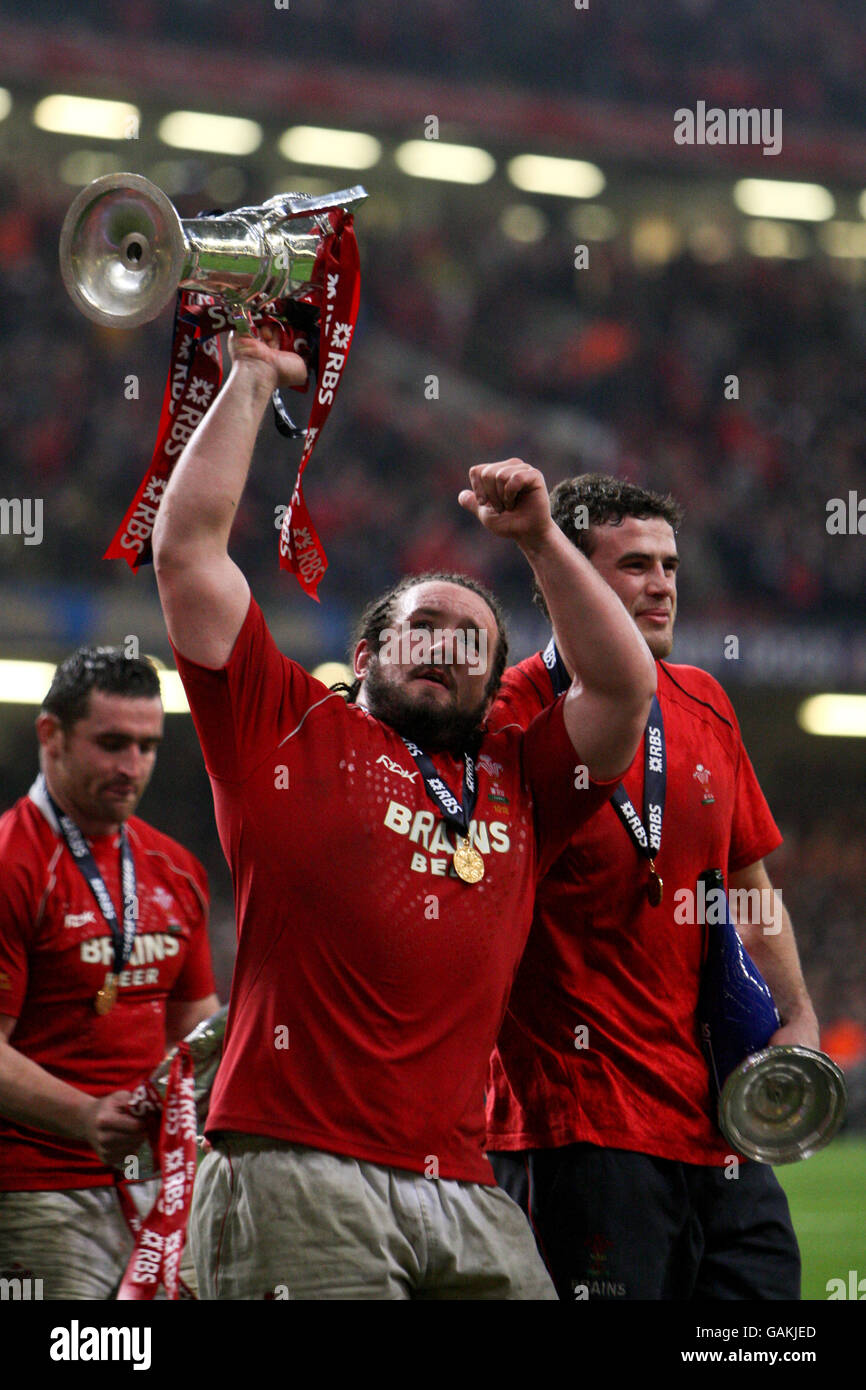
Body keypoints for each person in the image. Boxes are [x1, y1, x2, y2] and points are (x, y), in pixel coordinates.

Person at [151, 327, 657, 1300]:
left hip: (464, 1185)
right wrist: (252, 375)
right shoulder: (287, 727)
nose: (449, 649)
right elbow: (186, 553)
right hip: (297, 1168)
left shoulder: (521, 775)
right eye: (423, 626)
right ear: (368, 651)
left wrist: (539, 539)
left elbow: (622, 685)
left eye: (475, 639)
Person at [487, 474, 818, 1301]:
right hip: (580, 1123)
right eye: (635, 565)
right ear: (565, 574)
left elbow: (749, 884)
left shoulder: (705, 701)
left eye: (670, 566)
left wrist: (801, 1014)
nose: (663, 584)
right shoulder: (505, 714)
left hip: (715, 1118)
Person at [0, 647, 220, 1299]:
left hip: (163, 1187)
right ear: (51, 736)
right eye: (113, 744)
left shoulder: (176, 868)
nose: (133, 767)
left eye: (148, 746)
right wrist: (86, 1117)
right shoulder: (13, 864)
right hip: (40, 1189)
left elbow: (194, 1030)